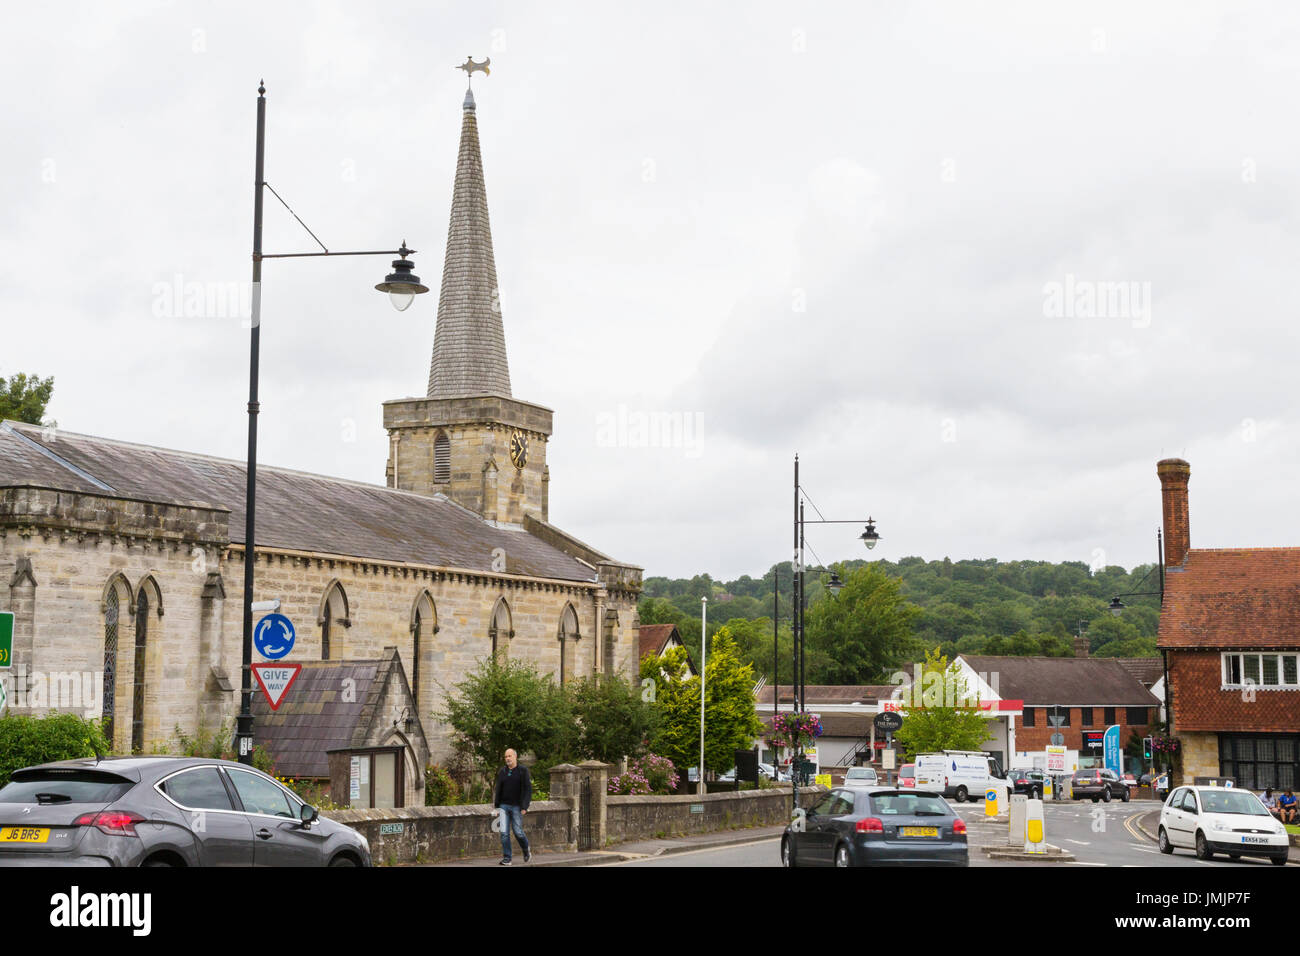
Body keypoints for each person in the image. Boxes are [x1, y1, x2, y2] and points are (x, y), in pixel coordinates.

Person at [493, 748, 532, 865]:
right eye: (506, 757)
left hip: (517, 807)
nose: (507, 758)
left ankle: (526, 850)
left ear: (515, 757)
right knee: (504, 833)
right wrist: (497, 807)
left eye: (509, 756)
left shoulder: (522, 771)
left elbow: (527, 790)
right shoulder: (503, 772)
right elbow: (498, 789)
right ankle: (507, 858)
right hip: (504, 806)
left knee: (518, 832)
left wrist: (524, 806)